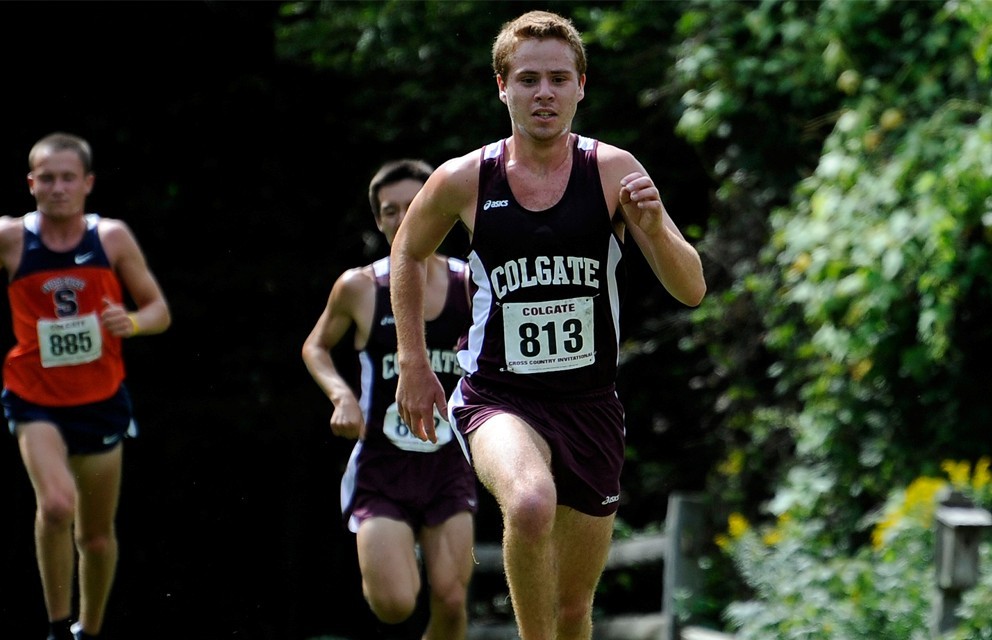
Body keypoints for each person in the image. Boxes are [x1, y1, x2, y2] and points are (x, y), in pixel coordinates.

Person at [389, 10, 706, 640]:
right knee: (529, 504)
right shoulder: (464, 178)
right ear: (502, 87)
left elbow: (691, 289)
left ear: (581, 86)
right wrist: (415, 363)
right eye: (528, 79)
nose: (544, 94)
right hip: (497, 397)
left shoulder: (613, 171)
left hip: (590, 404)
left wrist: (652, 225)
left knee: (570, 610)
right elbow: (407, 251)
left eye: (559, 79)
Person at [0, 132, 171, 640]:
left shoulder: (111, 238)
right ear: (31, 183)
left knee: (97, 538)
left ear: (87, 184)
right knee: (57, 505)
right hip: (33, 397)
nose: (58, 188)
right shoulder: (9, 237)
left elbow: (158, 311)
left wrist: (133, 323)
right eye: (47, 179)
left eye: (68, 178)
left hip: (102, 400)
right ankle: (57, 628)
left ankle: (89, 630)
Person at [301, 159, 477, 639]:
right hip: (382, 467)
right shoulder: (359, 287)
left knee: (452, 598)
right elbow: (315, 346)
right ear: (378, 220)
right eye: (389, 210)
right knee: (396, 604)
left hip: (449, 464)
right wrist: (343, 397)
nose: (402, 219)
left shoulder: (471, 284)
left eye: (412, 206)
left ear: (437, 208)